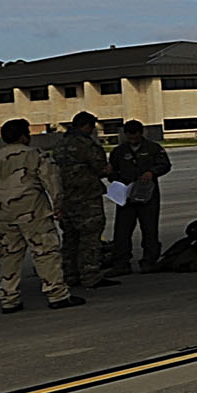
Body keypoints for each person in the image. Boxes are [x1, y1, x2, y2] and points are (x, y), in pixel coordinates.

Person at [0, 117, 81, 313]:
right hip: (35, 212)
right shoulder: (36, 155)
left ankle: (9, 298)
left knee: (9, 257)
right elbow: (52, 181)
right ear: (24, 136)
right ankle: (57, 294)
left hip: (6, 215)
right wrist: (58, 205)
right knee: (46, 253)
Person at [49, 111, 115, 291]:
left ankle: (70, 274)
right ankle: (90, 275)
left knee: (70, 238)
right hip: (86, 197)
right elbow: (100, 167)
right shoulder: (86, 144)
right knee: (90, 237)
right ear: (87, 126)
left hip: (66, 198)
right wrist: (107, 170)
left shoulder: (60, 144)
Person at [107, 119, 170, 273]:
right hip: (126, 195)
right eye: (129, 136)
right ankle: (121, 263)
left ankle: (149, 261)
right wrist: (115, 179)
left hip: (147, 195)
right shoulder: (119, 151)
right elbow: (112, 172)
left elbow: (165, 165)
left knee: (149, 229)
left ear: (141, 133)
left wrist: (152, 172)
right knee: (122, 230)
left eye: (135, 136)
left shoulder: (153, 148)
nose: (132, 139)